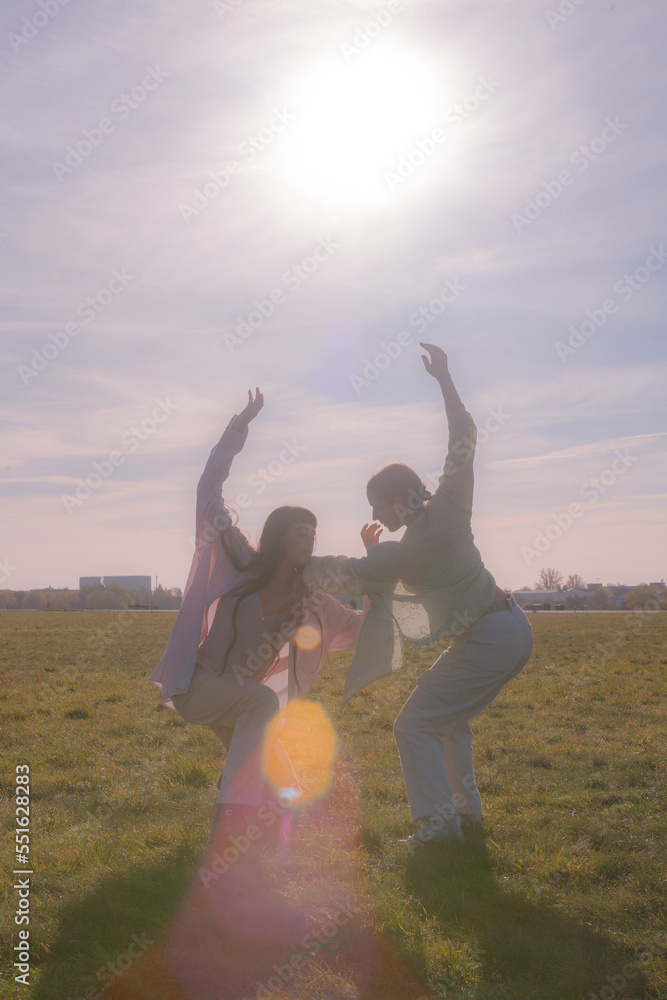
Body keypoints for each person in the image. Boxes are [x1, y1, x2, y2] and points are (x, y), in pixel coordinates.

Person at [302, 345, 534, 846]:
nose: (373, 514)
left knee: (413, 725)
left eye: (375, 505)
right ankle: (464, 819)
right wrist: (445, 379)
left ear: (395, 499)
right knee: (447, 724)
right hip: (507, 627)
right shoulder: (449, 504)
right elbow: (462, 438)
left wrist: (286, 562)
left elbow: (348, 574)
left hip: (492, 636)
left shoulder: (406, 548)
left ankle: (439, 826)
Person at [148, 388, 369, 855]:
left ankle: (286, 841)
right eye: (301, 533)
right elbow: (207, 494)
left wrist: (376, 573)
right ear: (279, 537)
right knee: (262, 707)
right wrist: (238, 429)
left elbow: (363, 629)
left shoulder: (313, 603)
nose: (310, 542)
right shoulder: (242, 563)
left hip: (242, 702)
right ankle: (229, 825)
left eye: (314, 535)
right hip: (198, 685)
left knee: (276, 771)